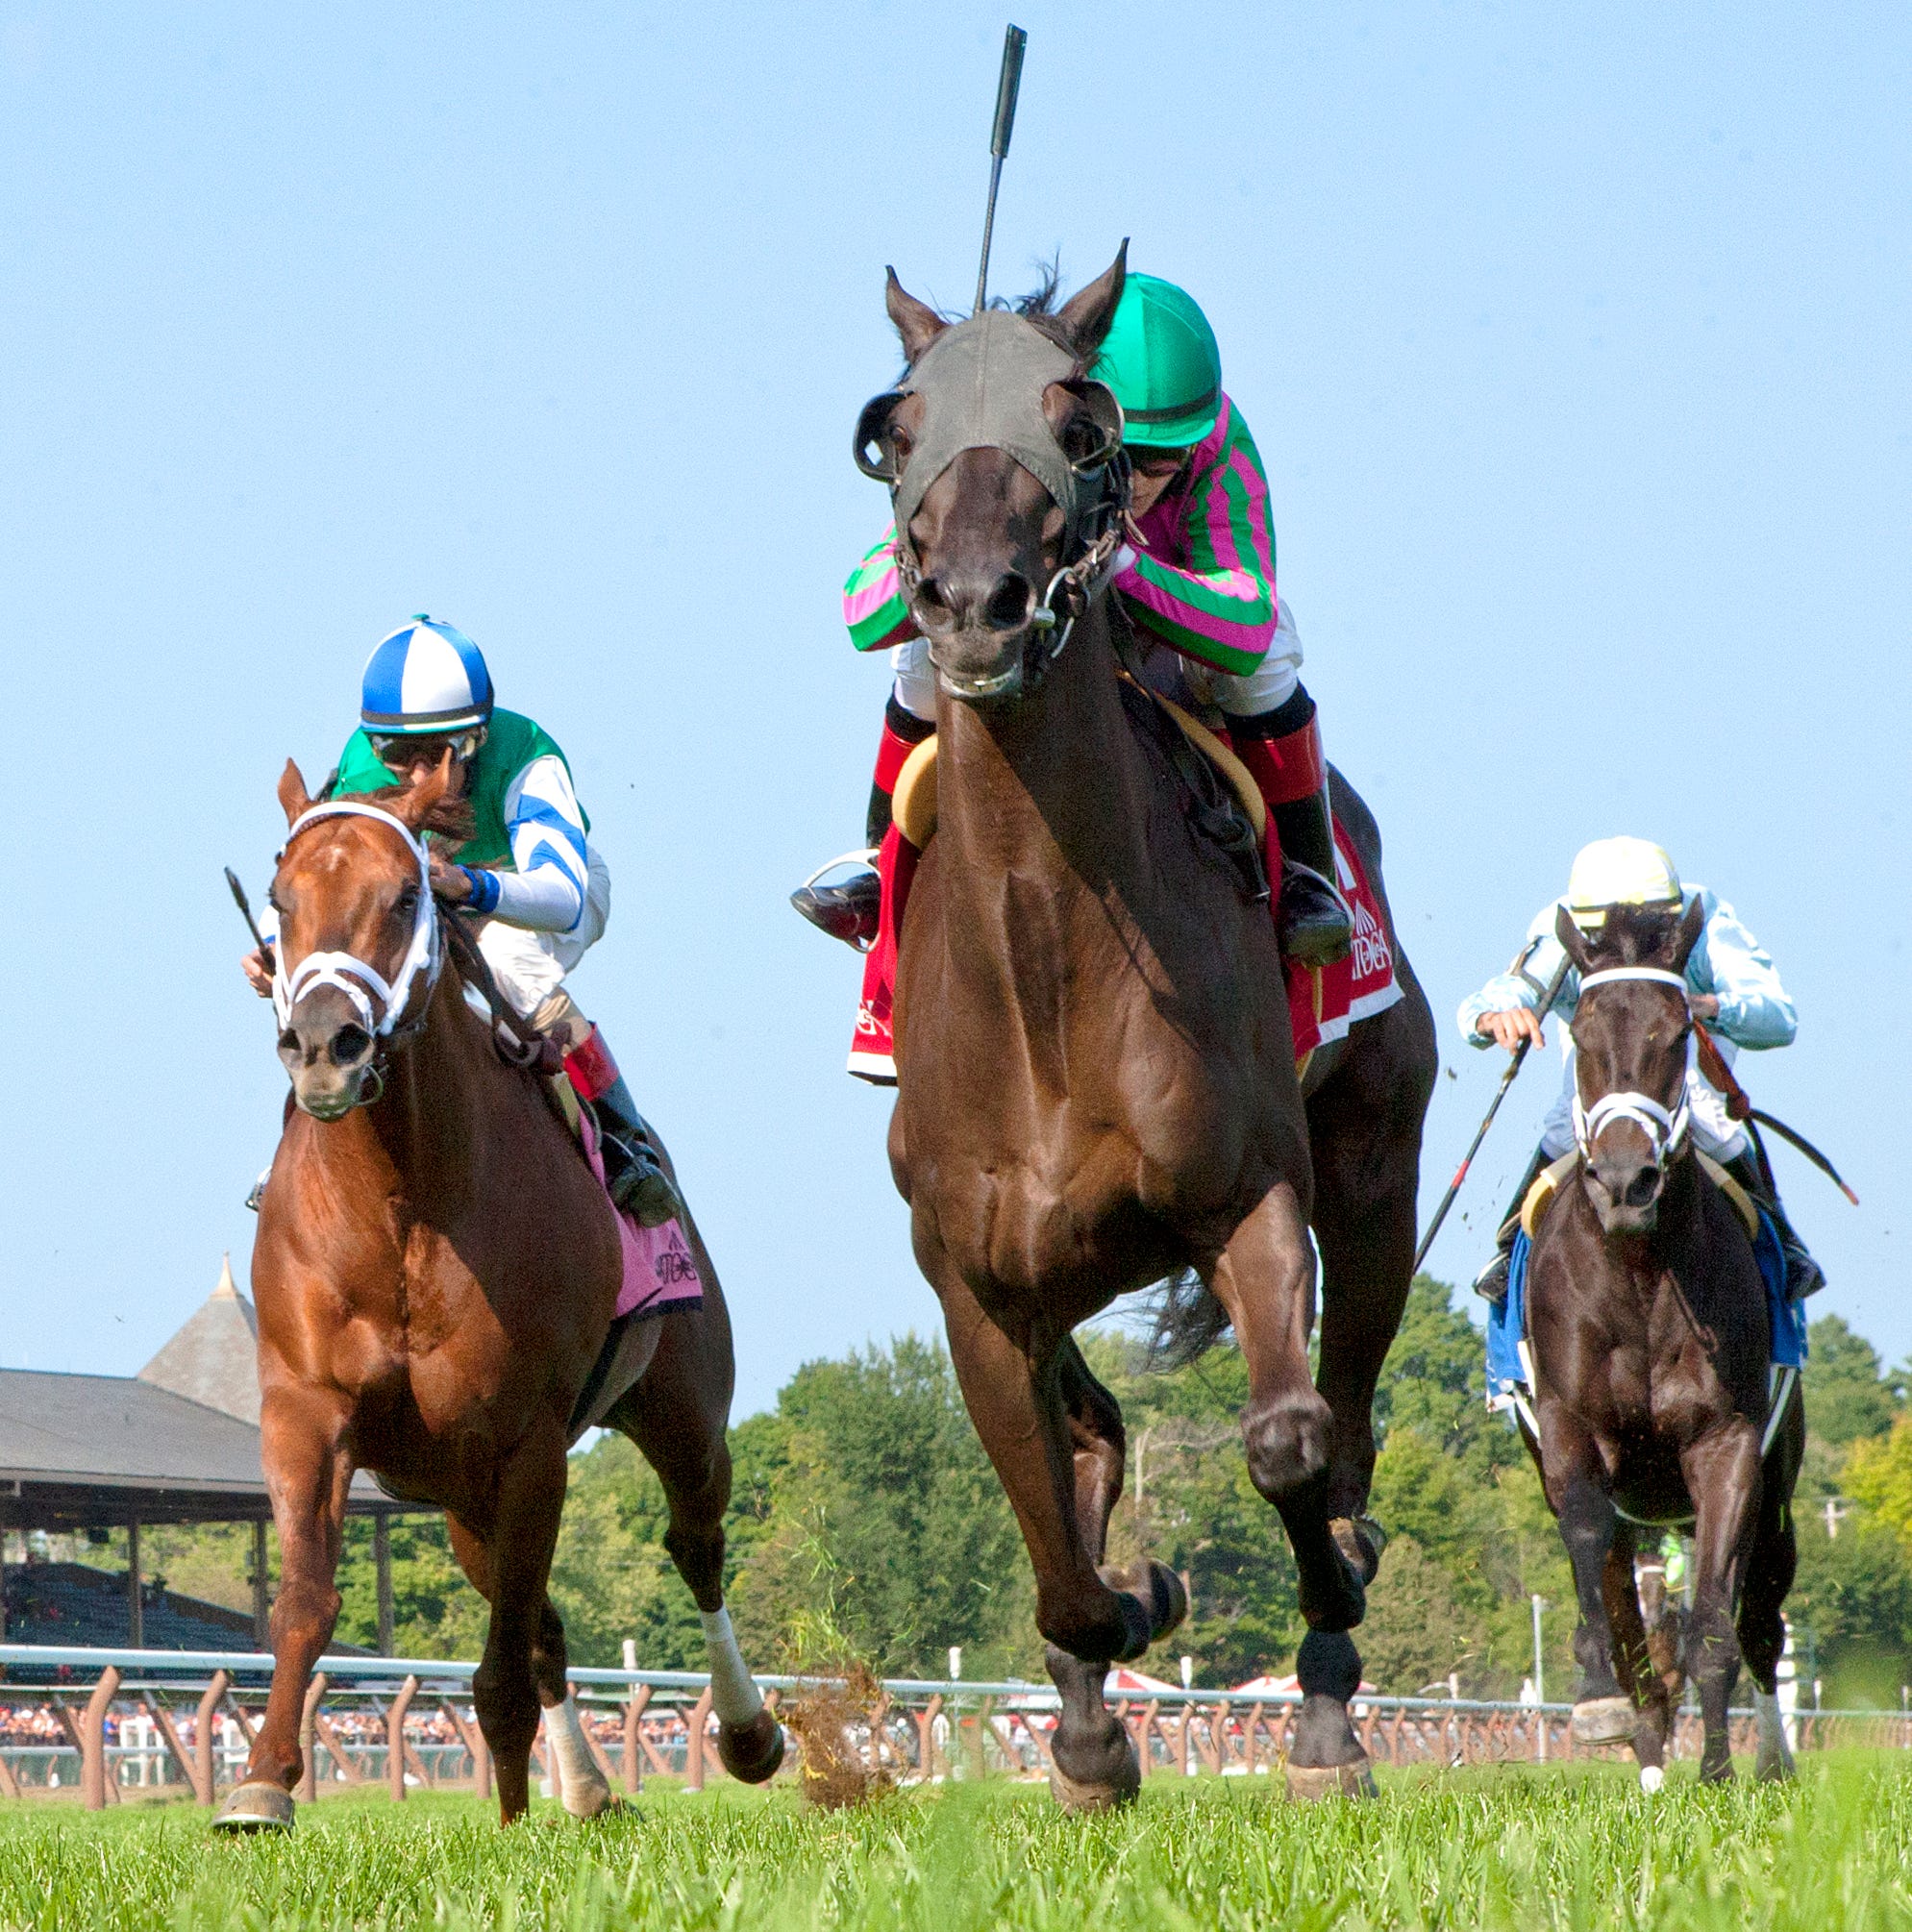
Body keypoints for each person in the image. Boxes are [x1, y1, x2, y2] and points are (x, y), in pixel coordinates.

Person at [793, 271, 1353, 1079]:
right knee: (915, 650)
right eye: (1136, 452)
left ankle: (1308, 876)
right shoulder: (1003, 444)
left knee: (1271, 654)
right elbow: (861, 613)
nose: (1157, 471)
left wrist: (1119, 568)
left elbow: (1244, 619)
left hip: (1177, 624)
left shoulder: (1222, 443)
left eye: (1174, 454)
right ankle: (876, 869)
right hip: (1038, 625)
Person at [242, 615, 679, 1226]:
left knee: (511, 969)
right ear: (375, 745)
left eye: (446, 752)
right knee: (338, 985)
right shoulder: (361, 767)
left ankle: (623, 1139)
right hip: (422, 894)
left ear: (479, 734)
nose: (420, 777)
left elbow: (562, 895)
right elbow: (316, 877)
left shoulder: (526, 753)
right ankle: (295, 1148)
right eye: (400, 754)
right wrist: (271, 949)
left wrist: (470, 885)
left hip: (535, 884)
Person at [1459, 835, 1824, 1305]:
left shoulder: (1706, 919)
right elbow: (1503, 992)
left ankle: (1783, 1243)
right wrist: (1494, 1016)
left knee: (1708, 1112)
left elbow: (1779, 1018)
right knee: (1565, 1120)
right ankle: (1510, 1250)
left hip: (1680, 1064)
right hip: (1601, 1066)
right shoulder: (1561, 927)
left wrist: (1710, 1007)